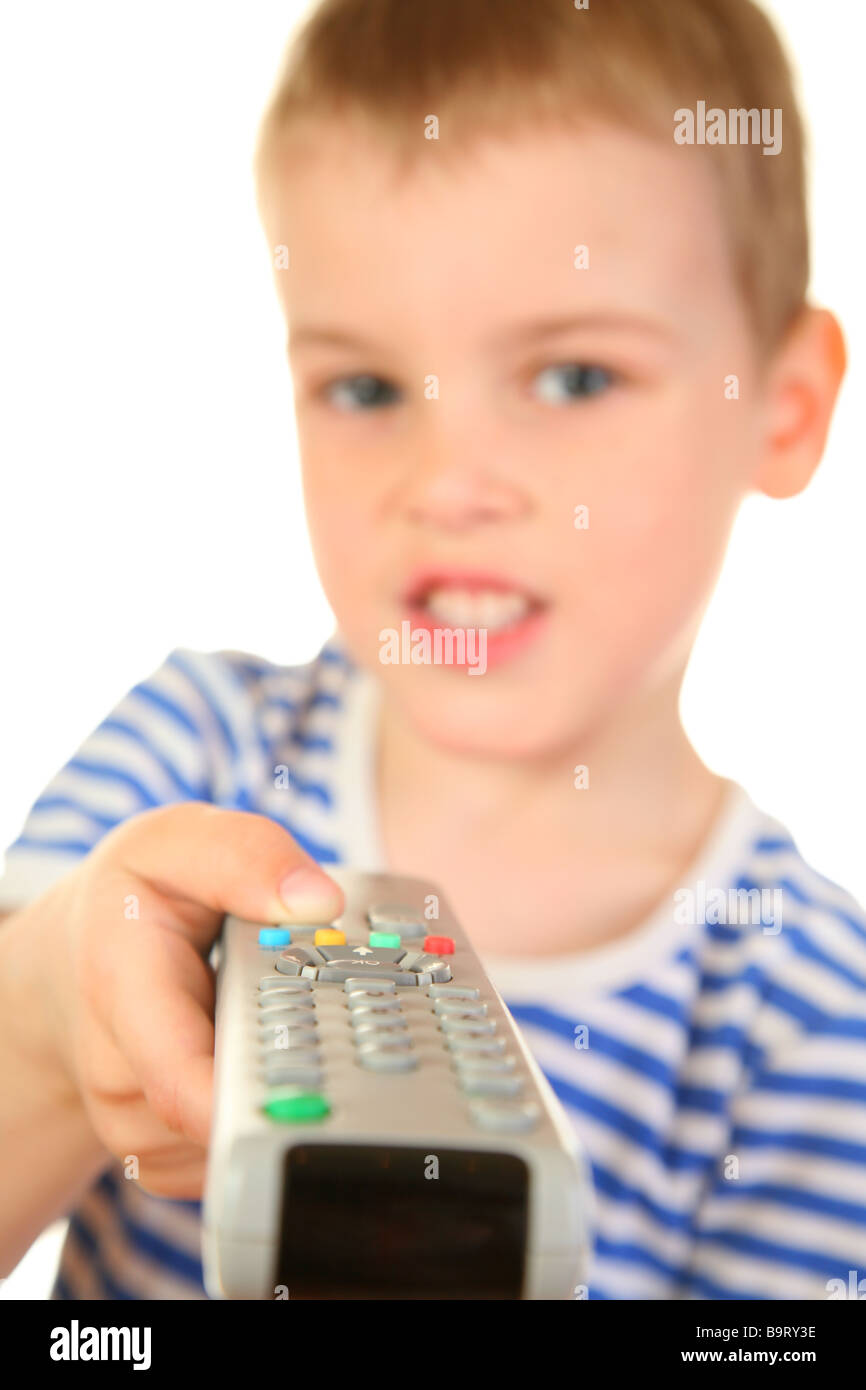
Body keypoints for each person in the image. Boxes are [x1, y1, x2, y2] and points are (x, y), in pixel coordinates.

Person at [1, 0, 863, 1300]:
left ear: (781, 410)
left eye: (571, 377)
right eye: (365, 389)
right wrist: (51, 1036)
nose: (446, 481)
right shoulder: (192, 759)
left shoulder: (813, 1018)